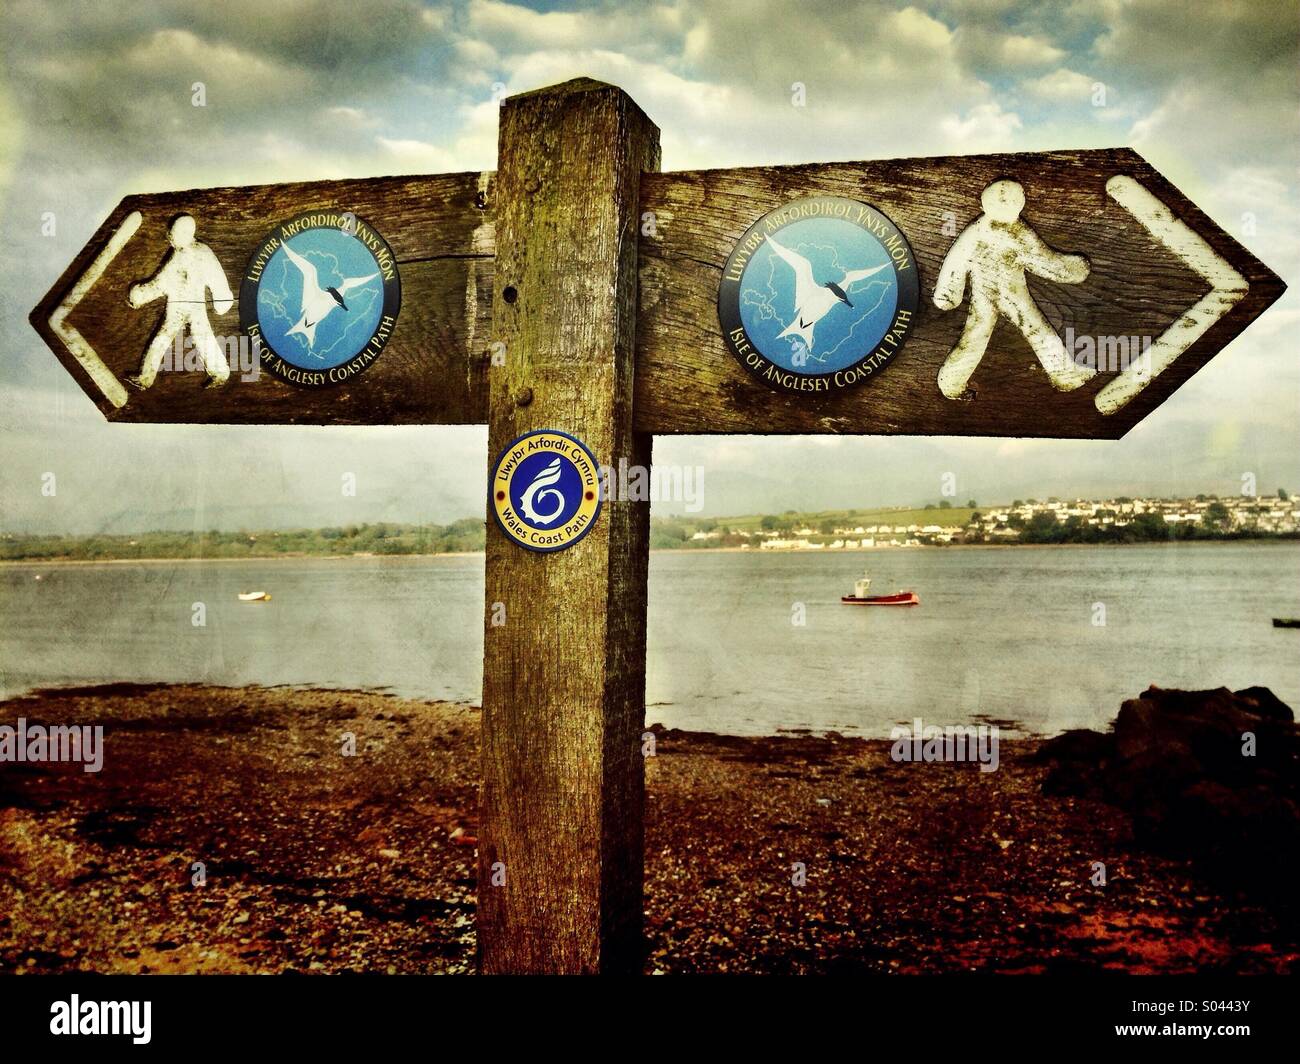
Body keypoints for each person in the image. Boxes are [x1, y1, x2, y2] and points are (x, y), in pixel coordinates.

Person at [933, 179, 1093, 398]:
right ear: (983, 202)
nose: (1003, 199)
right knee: (979, 335)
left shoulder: (1019, 232)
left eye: (1010, 197)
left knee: (1035, 330)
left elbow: (1042, 259)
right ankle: (951, 382)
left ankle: (1064, 374)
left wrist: (1071, 269)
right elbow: (957, 261)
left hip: (1014, 295)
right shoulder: (979, 231)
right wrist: (947, 292)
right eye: (998, 196)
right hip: (986, 295)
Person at [124, 214, 233, 390]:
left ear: (184, 234)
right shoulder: (182, 254)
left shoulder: (201, 253)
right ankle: (145, 378)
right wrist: (141, 296)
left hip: (193, 306)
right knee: (165, 337)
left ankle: (220, 373)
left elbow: (215, 277)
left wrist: (139, 295)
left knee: (198, 336)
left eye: (172, 233)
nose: (169, 237)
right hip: (178, 305)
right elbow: (161, 283)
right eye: (171, 233)